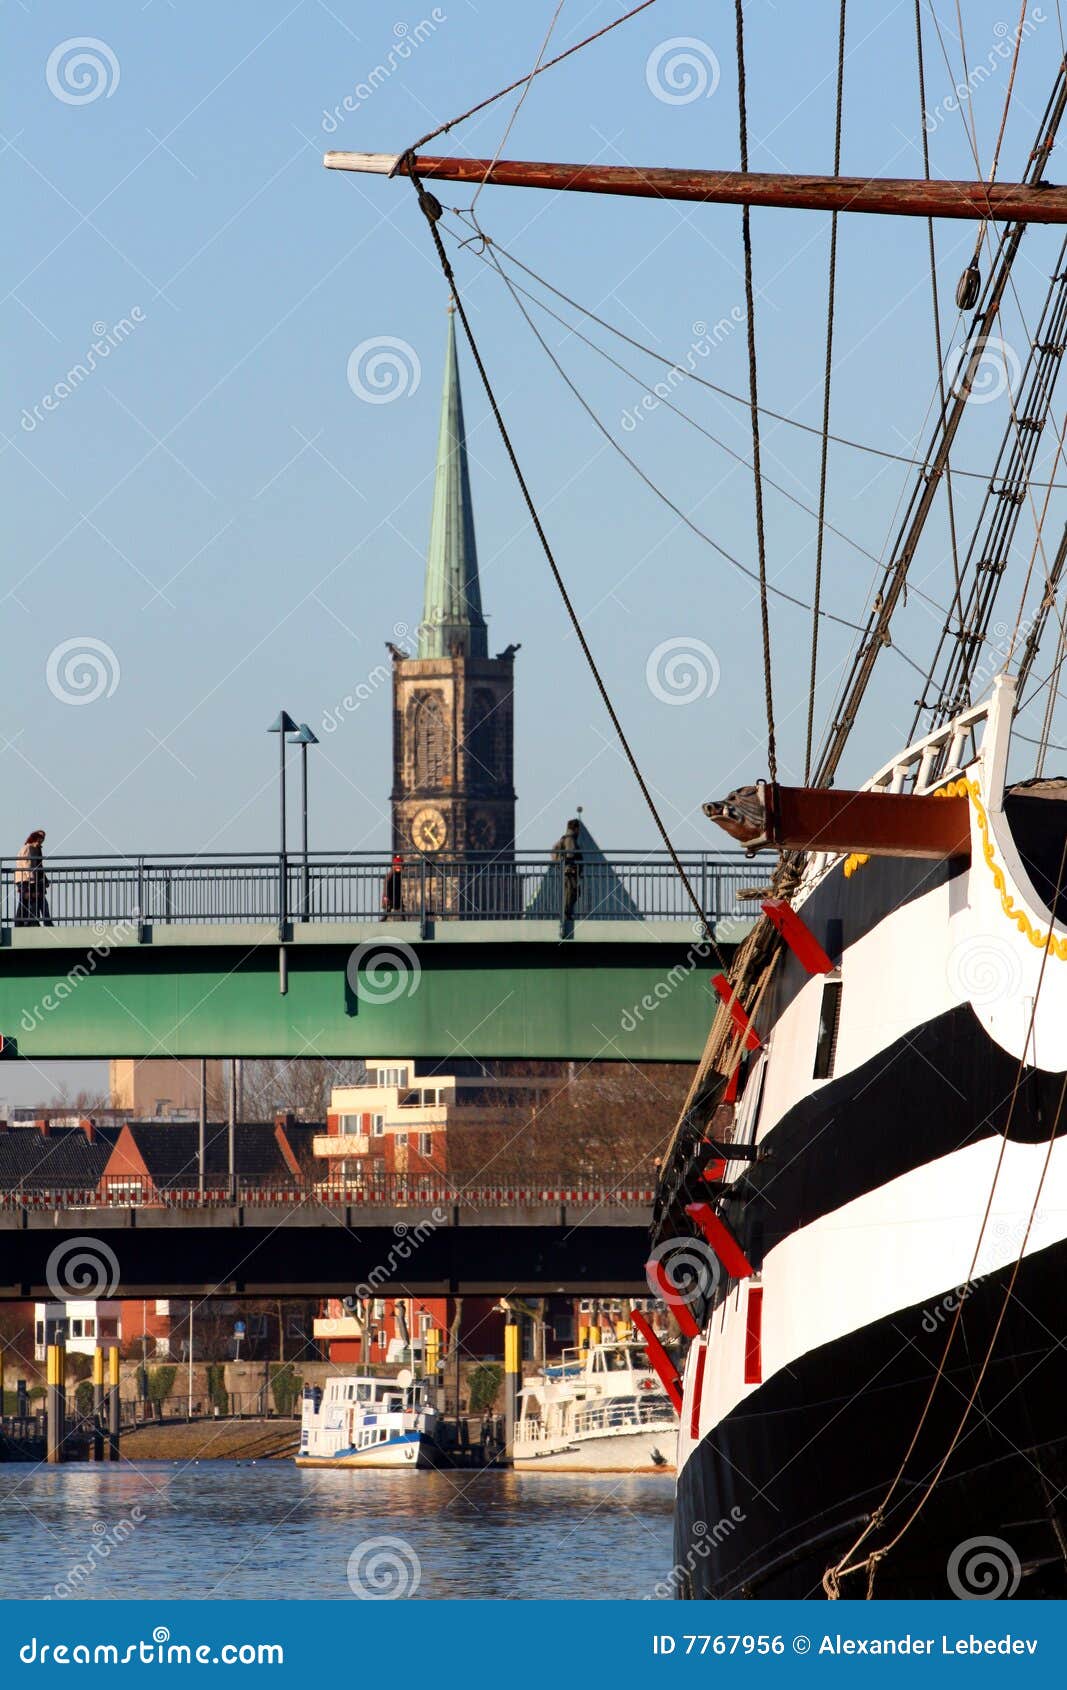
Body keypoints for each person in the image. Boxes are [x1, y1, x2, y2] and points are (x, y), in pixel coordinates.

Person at [14, 829, 51, 926]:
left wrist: (44, 880)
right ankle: (24, 923)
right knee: (25, 902)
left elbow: (39, 866)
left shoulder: (36, 849)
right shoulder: (28, 848)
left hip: (31, 879)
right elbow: (27, 865)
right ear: (34, 837)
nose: (42, 839)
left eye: (43, 838)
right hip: (25, 880)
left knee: (28, 902)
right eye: (40, 837)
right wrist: (32, 880)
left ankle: (29, 923)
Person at [552, 818, 583, 921]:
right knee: (571, 892)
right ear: (576, 828)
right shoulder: (571, 839)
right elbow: (570, 854)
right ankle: (566, 915)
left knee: (571, 892)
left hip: (567, 871)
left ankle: (566, 913)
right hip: (570, 872)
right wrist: (570, 868)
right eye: (579, 829)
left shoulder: (565, 837)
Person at [381, 854, 404, 919]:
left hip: (397, 899)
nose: (398, 866)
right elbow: (386, 886)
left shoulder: (401, 875)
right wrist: (385, 897)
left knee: (401, 912)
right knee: (389, 912)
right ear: (393, 866)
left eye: (399, 865)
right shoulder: (390, 876)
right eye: (396, 864)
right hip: (391, 898)